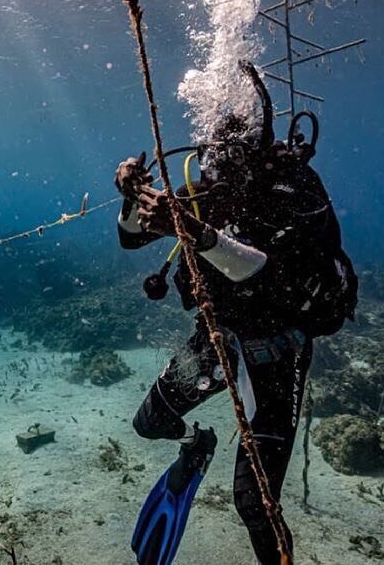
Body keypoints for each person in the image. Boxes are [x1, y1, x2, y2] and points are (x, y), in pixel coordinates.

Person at [119, 65, 357, 565]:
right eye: (213, 159)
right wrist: (130, 198)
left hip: (278, 354)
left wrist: (195, 234)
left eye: (232, 159)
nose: (219, 173)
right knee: (149, 422)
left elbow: (275, 278)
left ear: (258, 150)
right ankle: (198, 445)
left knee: (255, 504)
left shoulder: (296, 190)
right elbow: (132, 237)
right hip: (218, 339)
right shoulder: (207, 190)